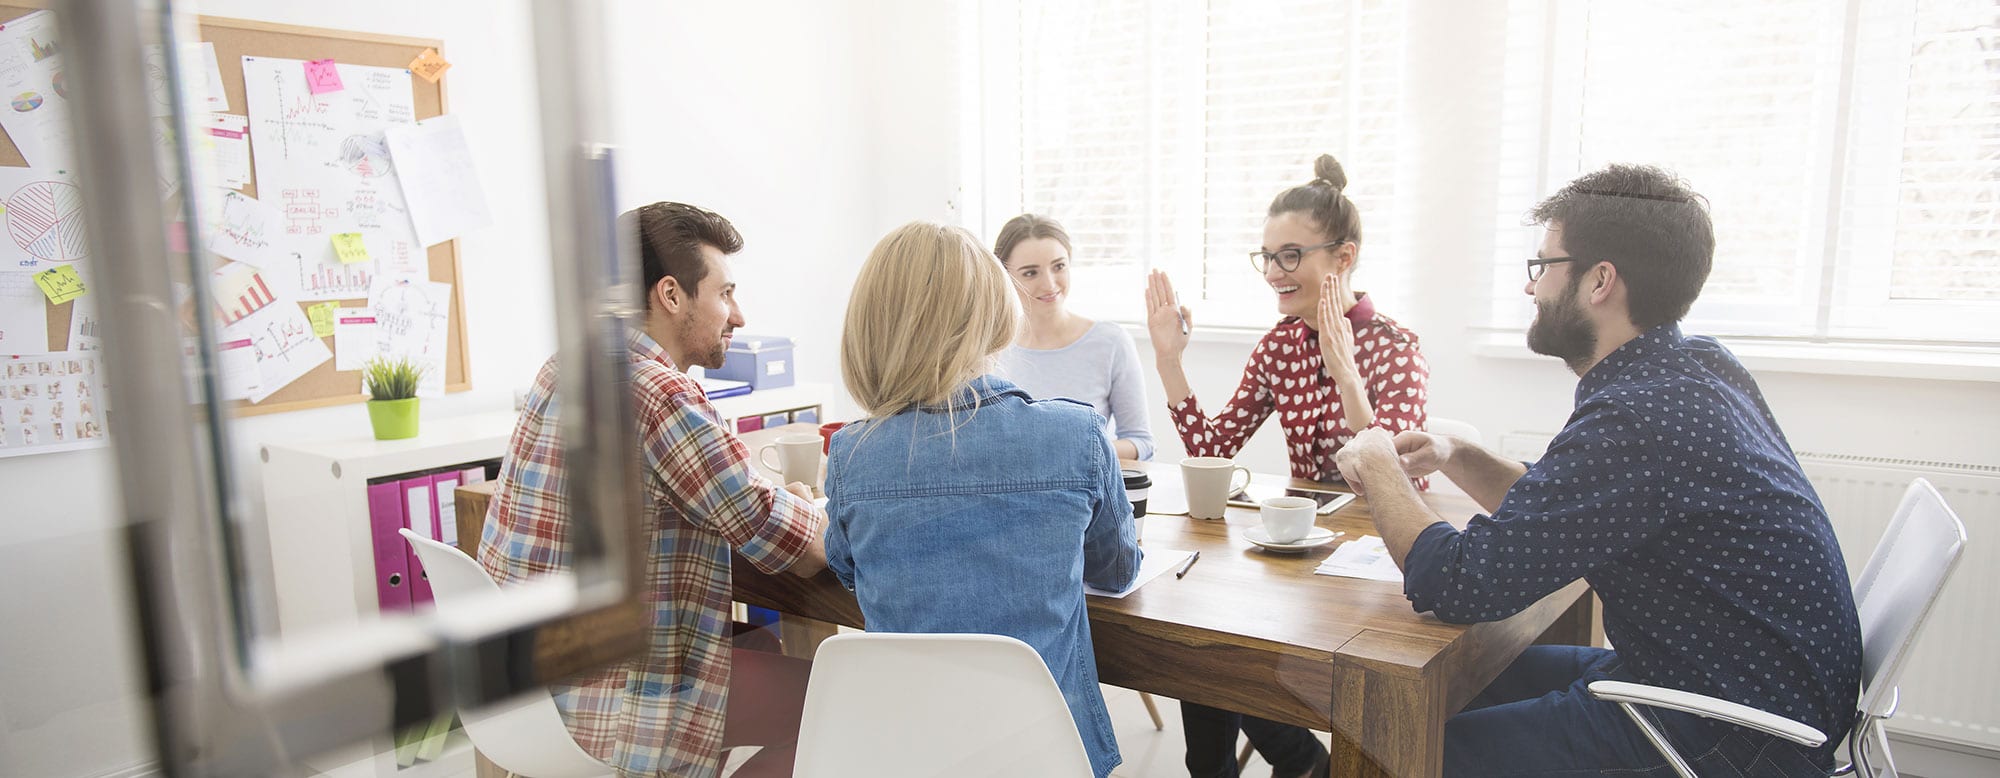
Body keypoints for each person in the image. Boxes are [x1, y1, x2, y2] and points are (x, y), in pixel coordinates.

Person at [1332, 164, 1861, 776]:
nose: (1532, 289)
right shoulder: (1693, 368)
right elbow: (1574, 503)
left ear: (1600, 281)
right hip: (1737, 686)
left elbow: (1456, 584)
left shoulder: (1637, 417)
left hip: (1731, 734)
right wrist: (1460, 455)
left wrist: (1375, 457)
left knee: (1395, 743)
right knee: (1441, 689)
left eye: (1544, 267)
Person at [479, 202, 828, 778]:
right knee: (834, 704)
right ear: (671, 295)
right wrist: (807, 508)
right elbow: (794, 547)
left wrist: (771, 502)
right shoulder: (660, 394)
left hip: (526, 690)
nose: (737, 316)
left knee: (760, 648)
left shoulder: (567, 364)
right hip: (608, 697)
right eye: (725, 293)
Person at [822, 222, 1143, 778]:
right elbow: (1117, 572)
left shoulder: (852, 454)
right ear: (995, 316)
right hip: (1049, 758)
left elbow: (850, 572)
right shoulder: (1077, 436)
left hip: (908, 756)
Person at [1144, 153, 1429, 778]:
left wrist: (1345, 369)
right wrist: (1170, 360)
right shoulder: (1278, 346)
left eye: (1291, 255)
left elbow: (1399, 482)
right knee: (1205, 638)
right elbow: (1214, 451)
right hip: (1302, 551)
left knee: (1229, 657)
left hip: (1381, 557)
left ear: (1344, 256)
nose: (1274, 272)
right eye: (1267, 256)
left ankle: (1300, 762)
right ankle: (1267, 765)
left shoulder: (1395, 346)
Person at [993, 213, 1155, 460]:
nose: (1049, 284)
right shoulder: (989, 348)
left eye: (1059, 266)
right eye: (1030, 273)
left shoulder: (1111, 343)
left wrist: (1075, 447)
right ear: (1005, 276)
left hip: (1086, 491)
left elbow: (1142, 444)